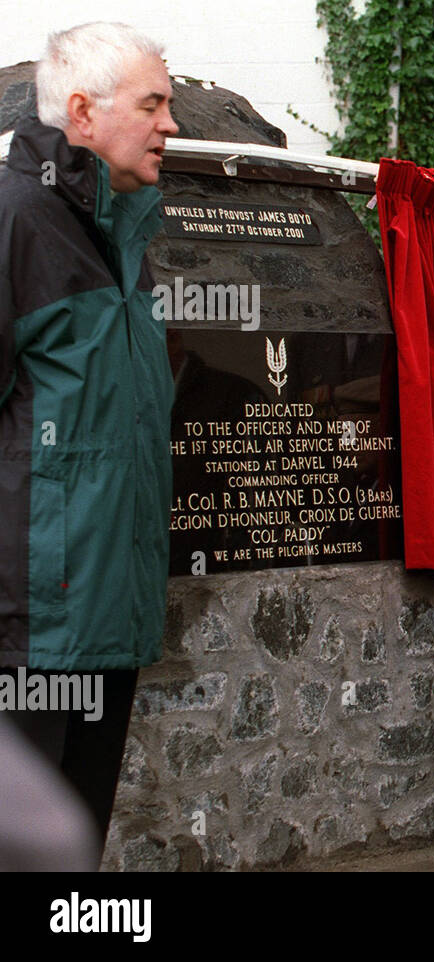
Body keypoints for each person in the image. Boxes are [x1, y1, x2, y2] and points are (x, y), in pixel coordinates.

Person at [0, 21, 178, 861]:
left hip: (109, 613)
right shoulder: (16, 221)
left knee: (74, 850)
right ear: (81, 112)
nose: (170, 125)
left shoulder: (124, 233)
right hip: (29, 627)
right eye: (153, 104)